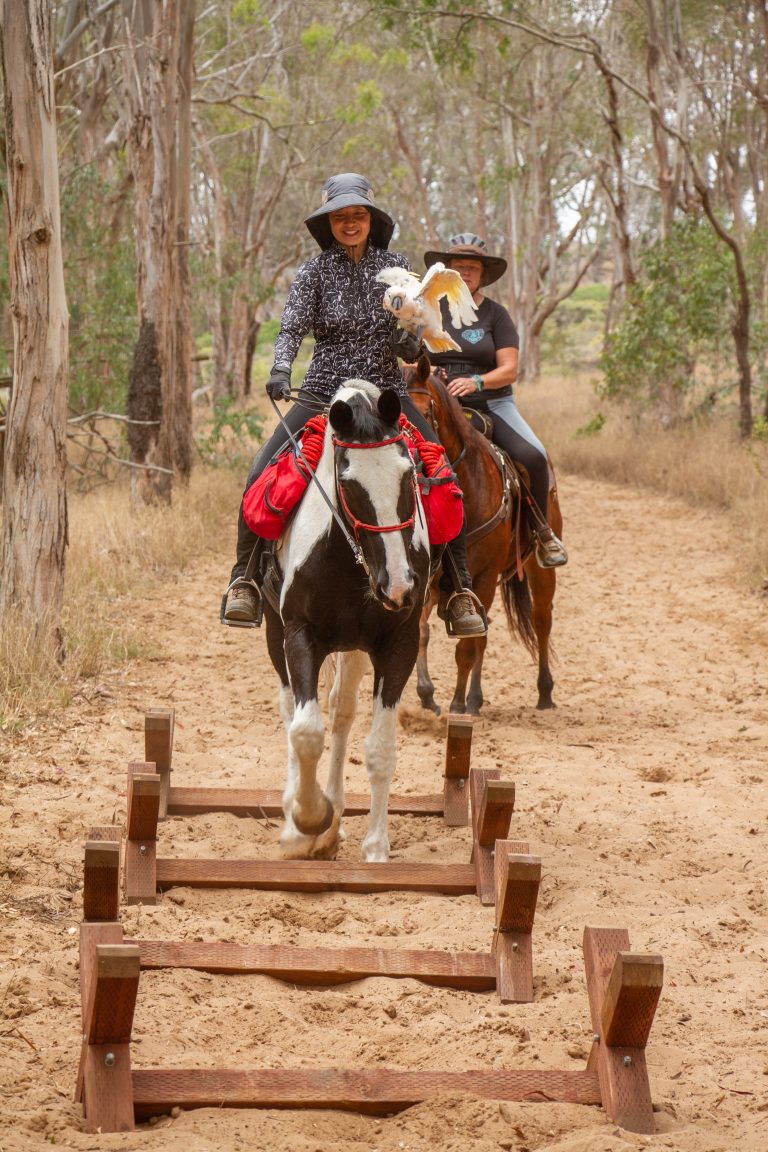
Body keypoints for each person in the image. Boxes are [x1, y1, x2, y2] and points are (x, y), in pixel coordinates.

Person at [223, 174, 486, 637]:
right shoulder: (313, 272)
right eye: (340, 216)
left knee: (442, 471)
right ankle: (243, 579)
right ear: (329, 223)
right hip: (325, 394)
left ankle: (460, 589)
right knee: (259, 471)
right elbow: (290, 330)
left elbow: (413, 335)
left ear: (371, 220)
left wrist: (410, 339)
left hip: (386, 394)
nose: (350, 223)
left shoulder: (397, 265)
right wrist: (281, 367)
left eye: (357, 215)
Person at [423, 233, 568, 569]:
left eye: (472, 267)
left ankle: (543, 533)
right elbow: (411, 360)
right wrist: (432, 376)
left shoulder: (495, 315)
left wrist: (476, 381)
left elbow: (509, 369)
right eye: (459, 267)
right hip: (437, 405)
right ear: (446, 273)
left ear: (483, 274)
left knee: (535, 456)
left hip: (492, 403)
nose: (466, 273)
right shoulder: (428, 312)